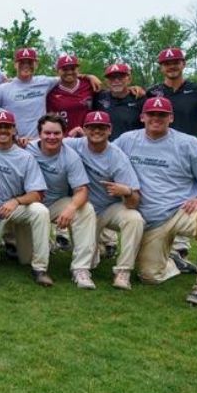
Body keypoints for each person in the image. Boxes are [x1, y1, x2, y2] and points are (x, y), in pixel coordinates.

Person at [114, 96, 197, 307]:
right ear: (142, 117)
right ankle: (173, 261)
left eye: (162, 115)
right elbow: (105, 156)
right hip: (150, 220)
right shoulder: (127, 140)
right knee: (149, 277)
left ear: (171, 118)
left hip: (180, 210)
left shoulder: (188, 143)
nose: (156, 118)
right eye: (152, 114)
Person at [0, 110, 54, 286]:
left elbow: (37, 193)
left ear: (14, 130)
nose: (3, 131)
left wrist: (16, 201)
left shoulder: (25, 157)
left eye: (7, 127)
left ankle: (40, 268)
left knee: (40, 211)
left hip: (12, 209)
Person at [62, 111, 145, 290]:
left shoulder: (117, 156)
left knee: (134, 218)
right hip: (84, 211)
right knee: (90, 263)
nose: (97, 131)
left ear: (110, 130)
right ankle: (95, 250)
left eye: (102, 127)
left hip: (108, 209)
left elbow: (135, 201)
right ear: (84, 129)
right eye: (92, 127)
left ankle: (123, 271)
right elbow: (45, 143)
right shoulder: (73, 145)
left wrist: (127, 191)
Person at [147, 46, 197, 266]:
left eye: (176, 61)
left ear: (183, 64)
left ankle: (180, 251)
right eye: (166, 63)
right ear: (161, 67)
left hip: (189, 150)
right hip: (160, 150)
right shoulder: (153, 91)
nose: (172, 66)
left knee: (188, 195)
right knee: (163, 194)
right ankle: (166, 247)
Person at [25, 114, 98, 289]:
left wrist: (71, 207)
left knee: (85, 209)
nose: (52, 137)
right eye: (47, 133)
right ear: (39, 134)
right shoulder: (26, 149)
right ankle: (40, 246)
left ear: (64, 134)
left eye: (57, 133)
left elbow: (81, 190)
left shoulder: (70, 156)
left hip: (55, 204)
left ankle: (81, 269)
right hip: (28, 206)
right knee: (24, 258)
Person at [93, 64, 144, 139]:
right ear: (106, 81)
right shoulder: (99, 97)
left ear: (129, 79)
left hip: (132, 147)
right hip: (107, 148)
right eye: (112, 78)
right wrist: (87, 76)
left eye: (120, 77)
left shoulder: (140, 98)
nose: (116, 80)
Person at [45, 55, 94, 131]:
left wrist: (89, 76)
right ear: (58, 71)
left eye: (73, 69)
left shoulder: (89, 85)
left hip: (87, 137)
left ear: (78, 70)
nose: (69, 72)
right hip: (62, 138)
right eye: (65, 69)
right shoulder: (50, 90)